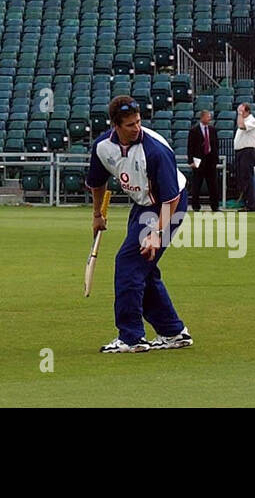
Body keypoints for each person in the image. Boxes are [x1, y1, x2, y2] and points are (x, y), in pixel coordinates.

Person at [88, 95, 192, 354]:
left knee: (128, 264)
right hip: (142, 204)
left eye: (138, 122)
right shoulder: (102, 147)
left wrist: (157, 233)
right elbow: (97, 182)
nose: (137, 128)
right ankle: (172, 331)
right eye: (130, 124)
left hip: (167, 205)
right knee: (143, 269)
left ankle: (131, 337)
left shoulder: (155, 150)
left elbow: (171, 198)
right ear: (115, 125)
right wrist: (97, 215)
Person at [186, 109, 220, 211]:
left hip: (210, 161)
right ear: (202, 117)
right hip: (198, 161)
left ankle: (215, 206)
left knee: (213, 185)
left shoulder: (212, 130)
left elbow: (216, 145)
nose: (209, 118)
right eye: (207, 116)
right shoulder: (194, 131)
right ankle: (196, 206)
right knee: (196, 185)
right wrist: (191, 161)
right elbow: (190, 147)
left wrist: (215, 159)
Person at [232, 103, 255, 211]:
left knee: (248, 178)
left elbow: (241, 126)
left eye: (242, 111)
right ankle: (247, 202)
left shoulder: (251, 121)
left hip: (247, 151)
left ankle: (252, 204)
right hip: (241, 152)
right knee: (243, 179)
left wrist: (240, 113)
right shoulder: (245, 120)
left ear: (246, 111)